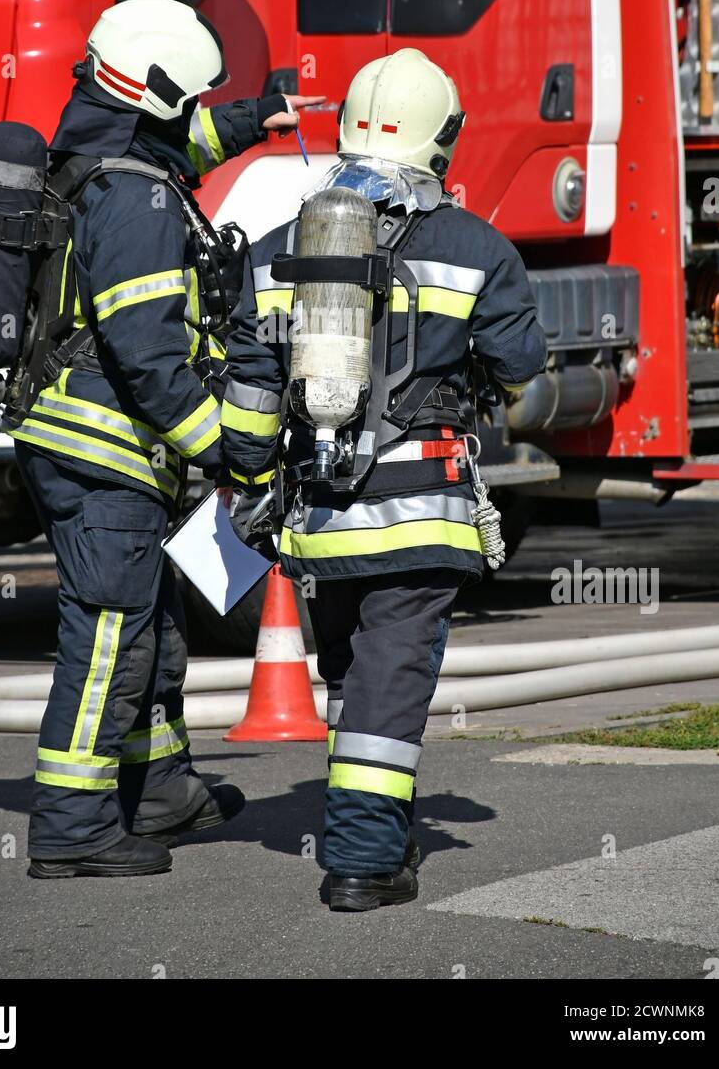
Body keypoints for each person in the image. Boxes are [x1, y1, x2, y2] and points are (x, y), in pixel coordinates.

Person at [219, 48, 546, 911]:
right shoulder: (477, 246)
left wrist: (249, 480)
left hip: (321, 517)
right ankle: (363, 862)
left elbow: (250, 394)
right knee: (387, 683)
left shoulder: (275, 249)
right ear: (441, 139)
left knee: (355, 677)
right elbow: (518, 369)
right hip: (424, 512)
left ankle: (379, 834)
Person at [11, 0, 322, 878]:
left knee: (150, 625)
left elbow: (182, 145)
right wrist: (223, 446)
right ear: (150, 93)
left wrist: (255, 117)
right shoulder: (138, 205)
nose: (193, 117)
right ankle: (73, 827)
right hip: (102, 450)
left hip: (89, 445)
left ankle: (158, 790)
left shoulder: (103, 153)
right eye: (187, 100)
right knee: (110, 631)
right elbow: (149, 359)